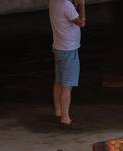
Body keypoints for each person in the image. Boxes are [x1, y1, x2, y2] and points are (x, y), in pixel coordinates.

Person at [50, 0, 84, 128]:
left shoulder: (53, 2)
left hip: (58, 47)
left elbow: (69, 13)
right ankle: (65, 118)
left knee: (58, 81)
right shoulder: (66, 5)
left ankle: (58, 111)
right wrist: (82, 5)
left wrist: (74, 4)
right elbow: (82, 22)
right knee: (67, 86)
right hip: (69, 49)